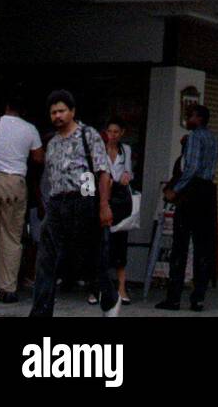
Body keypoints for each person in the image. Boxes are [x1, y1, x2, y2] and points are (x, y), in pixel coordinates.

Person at [28, 90, 120, 318]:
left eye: (61, 111)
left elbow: (102, 172)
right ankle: (40, 312)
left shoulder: (87, 135)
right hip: (57, 204)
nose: (57, 116)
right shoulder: (52, 142)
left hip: (83, 201)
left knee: (89, 260)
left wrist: (103, 205)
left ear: (72, 112)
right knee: (45, 261)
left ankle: (110, 297)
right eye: (53, 112)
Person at [0, 97, 43, 302]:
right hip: (15, 183)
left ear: (6, 106)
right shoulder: (30, 129)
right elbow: (38, 157)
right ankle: (8, 289)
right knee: (11, 238)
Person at [156, 104, 218, 312]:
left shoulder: (194, 138)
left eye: (189, 116)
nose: (187, 120)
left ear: (198, 118)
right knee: (203, 247)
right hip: (208, 192)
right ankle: (198, 297)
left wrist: (175, 189)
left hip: (192, 193)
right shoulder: (213, 139)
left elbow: (191, 167)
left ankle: (174, 298)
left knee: (180, 245)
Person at [88, 120, 134, 306]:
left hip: (120, 198)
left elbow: (129, 171)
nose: (113, 135)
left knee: (120, 242)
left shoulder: (126, 150)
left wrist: (126, 176)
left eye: (116, 132)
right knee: (99, 243)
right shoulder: (98, 150)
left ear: (122, 133)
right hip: (101, 196)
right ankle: (95, 287)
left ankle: (121, 287)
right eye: (110, 131)